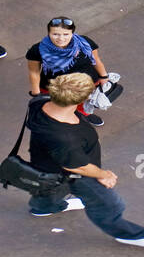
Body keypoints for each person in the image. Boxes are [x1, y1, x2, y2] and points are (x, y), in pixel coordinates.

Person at [16, 73, 144, 241]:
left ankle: (43, 207)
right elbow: (76, 166)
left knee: (50, 188)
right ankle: (132, 236)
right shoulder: (65, 136)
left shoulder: (38, 103)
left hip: (46, 165)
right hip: (76, 174)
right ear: (78, 101)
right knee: (108, 204)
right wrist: (103, 175)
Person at [27, 17, 118, 111]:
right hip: (57, 89)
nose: (61, 38)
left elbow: (96, 60)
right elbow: (34, 72)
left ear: (72, 33)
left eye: (66, 34)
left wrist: (103, 77)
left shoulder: (84, 43)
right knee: (60, 110)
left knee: (84, 106)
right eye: (55, 34)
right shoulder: (38, 50)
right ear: (49, 33)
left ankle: (83, 117)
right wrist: (36, 94)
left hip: (86, 84)